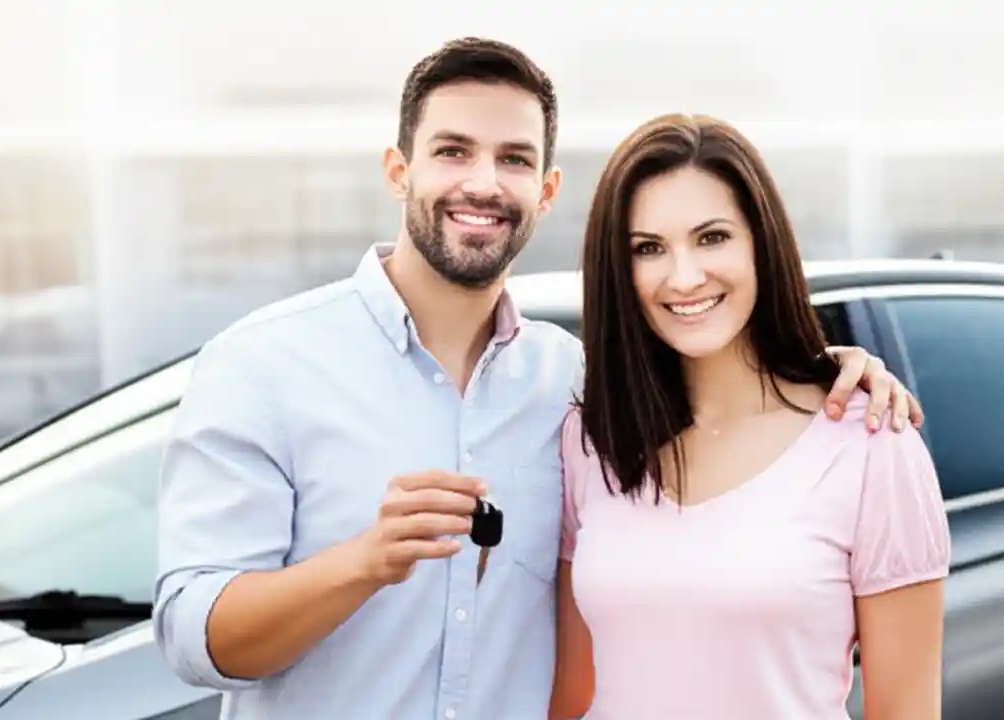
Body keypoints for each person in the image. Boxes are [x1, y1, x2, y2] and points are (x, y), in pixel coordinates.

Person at [153, 38, 921, 720]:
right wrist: (363, 563)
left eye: (514, 158)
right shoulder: (262, 366)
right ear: (398, 171)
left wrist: (836, 372)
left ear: (546, 192)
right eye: (452, 151)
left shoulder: (576, 392)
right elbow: (191, 639)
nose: (483, 182)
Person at [549, 114, 952, 720]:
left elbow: (905, 711)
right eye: (649, 248)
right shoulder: (591, 442)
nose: (684, 276)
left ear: (761, 242)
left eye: (711, 237)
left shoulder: (870, 445)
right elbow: (570, 698)